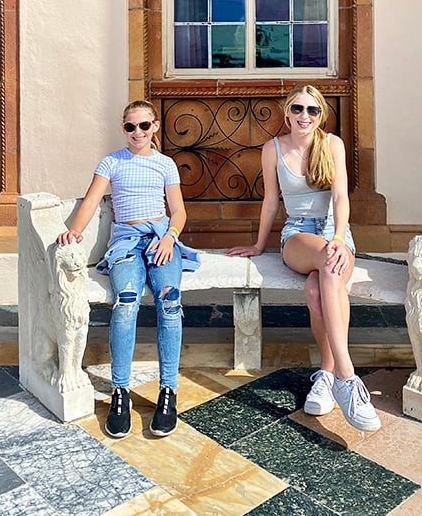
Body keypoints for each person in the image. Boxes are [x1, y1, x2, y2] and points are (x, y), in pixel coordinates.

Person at [227, 85, 381, 432]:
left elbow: (341, 197)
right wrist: (257, 244)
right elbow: (271, 202)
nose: (304, 116)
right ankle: (347, 375)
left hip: (334, 233)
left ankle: (326, 375)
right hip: (296, 233)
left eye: (312, 110)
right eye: (297, 109)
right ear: (287, 112)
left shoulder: (332, 145)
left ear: (321, 115)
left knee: (315, 293)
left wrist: (340, 238)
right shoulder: (273, 149)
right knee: (326, 261)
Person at [56, 100, 198, 439]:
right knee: (127, 302)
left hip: (160, 238)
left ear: (155, 127)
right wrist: (74, 231)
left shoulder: (165, 165)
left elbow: (178, 211)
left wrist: (169, 238)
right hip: (125, 243)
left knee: (170, 301)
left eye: (144, 126)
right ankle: (120, 392)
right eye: (130, 127)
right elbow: (91, 200)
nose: (138, 133)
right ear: (124, 129)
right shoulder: (112, 162)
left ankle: (168, 391)